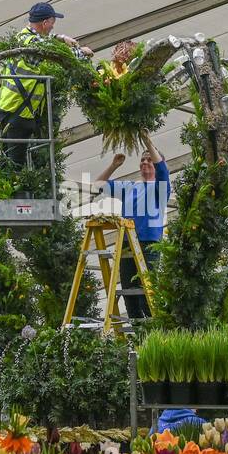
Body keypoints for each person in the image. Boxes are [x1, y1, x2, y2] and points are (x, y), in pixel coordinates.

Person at [0, 2, 93, 166]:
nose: (53, 27)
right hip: (17, 111)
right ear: (45, 22)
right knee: (15, 164)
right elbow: (53, 53)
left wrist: (60, 37)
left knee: (13, 159)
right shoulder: (30, 42)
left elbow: (44, 41)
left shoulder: (23, 36)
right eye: (52, 23)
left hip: (16, 110)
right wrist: (81, 52)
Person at [95, 136, 169, 319]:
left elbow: (162, 169)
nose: (145, 162)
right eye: (142, 159)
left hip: (149, 244)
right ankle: (138, 336)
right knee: (129, 293)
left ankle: (153, 333)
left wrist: (149, 144)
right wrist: (113, 166)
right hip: (127, 243)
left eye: (149, 159)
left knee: (147, 293)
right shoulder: (129, 186)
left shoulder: (161, 187)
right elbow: (97, 185)